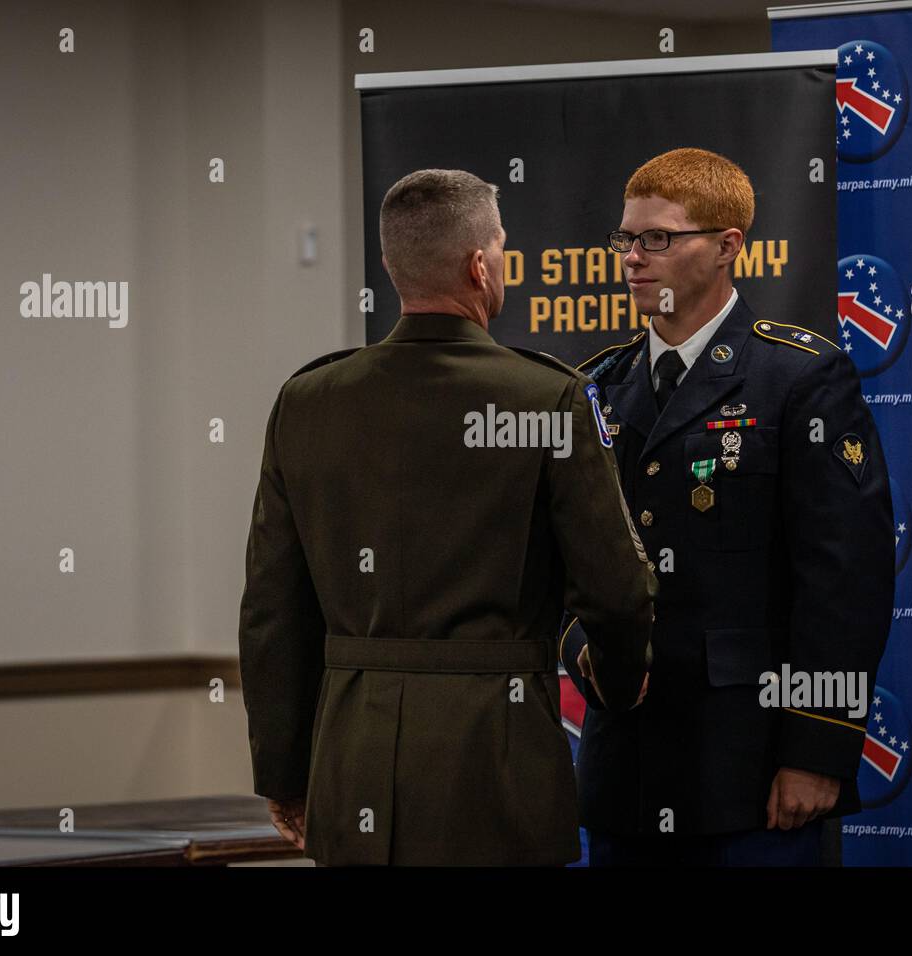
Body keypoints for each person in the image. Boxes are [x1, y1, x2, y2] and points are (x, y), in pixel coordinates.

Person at [238, 168, 655, 866]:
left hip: (352, 759)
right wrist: (617, 683)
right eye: (502, 248)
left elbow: (272, 613)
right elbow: (615, 590)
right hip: (499, 761)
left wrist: (283, 775)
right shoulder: (545, 399)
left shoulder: (307, 402)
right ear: (477, 265)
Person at [560, 147, 894, 866]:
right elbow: (558, 560)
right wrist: (585, 645)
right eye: (626, 238)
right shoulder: (595, 386)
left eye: (658, 238)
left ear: (726, 247)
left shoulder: (798, 377)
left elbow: (845, 580)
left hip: (750, 765)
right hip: (626, 767)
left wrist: (817, 746)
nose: (633, 258)